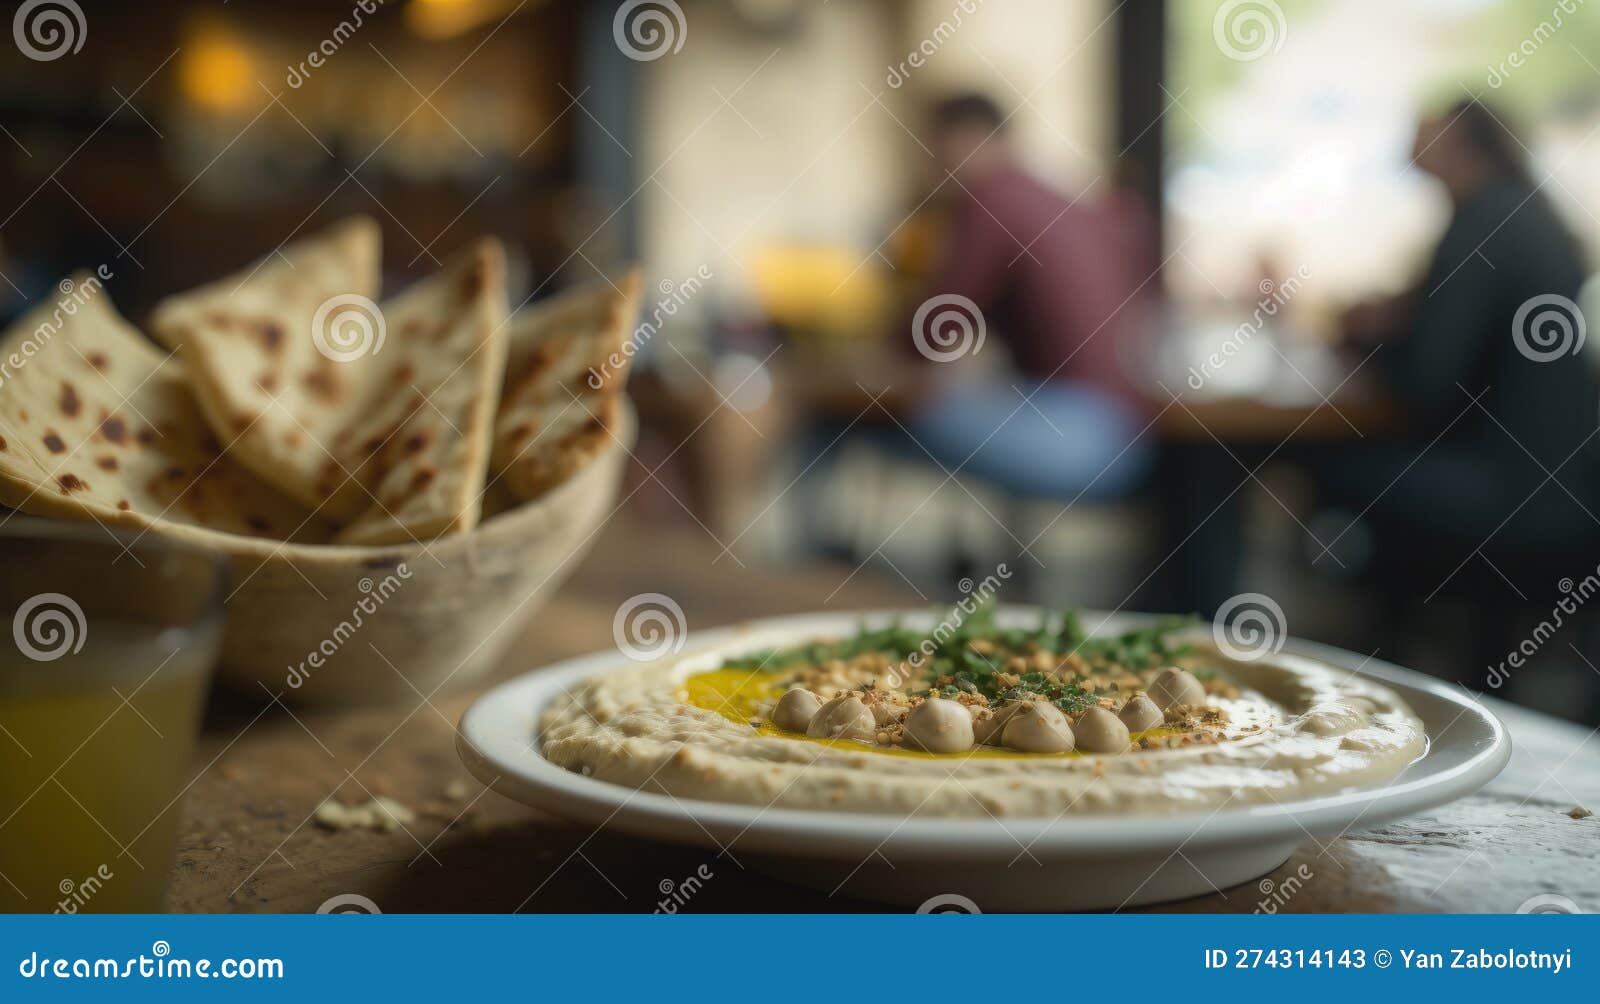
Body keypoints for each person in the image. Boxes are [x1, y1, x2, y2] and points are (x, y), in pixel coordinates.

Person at [904, 93, 1153, 501]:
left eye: (933, 151)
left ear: (962, 139)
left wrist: (877, 357)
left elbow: (939, 322)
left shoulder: (994, 196)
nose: (934, 169)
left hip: (1079, 434)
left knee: (871, 423)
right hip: (1128, 427)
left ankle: (815, 558)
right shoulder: (1056, 196)